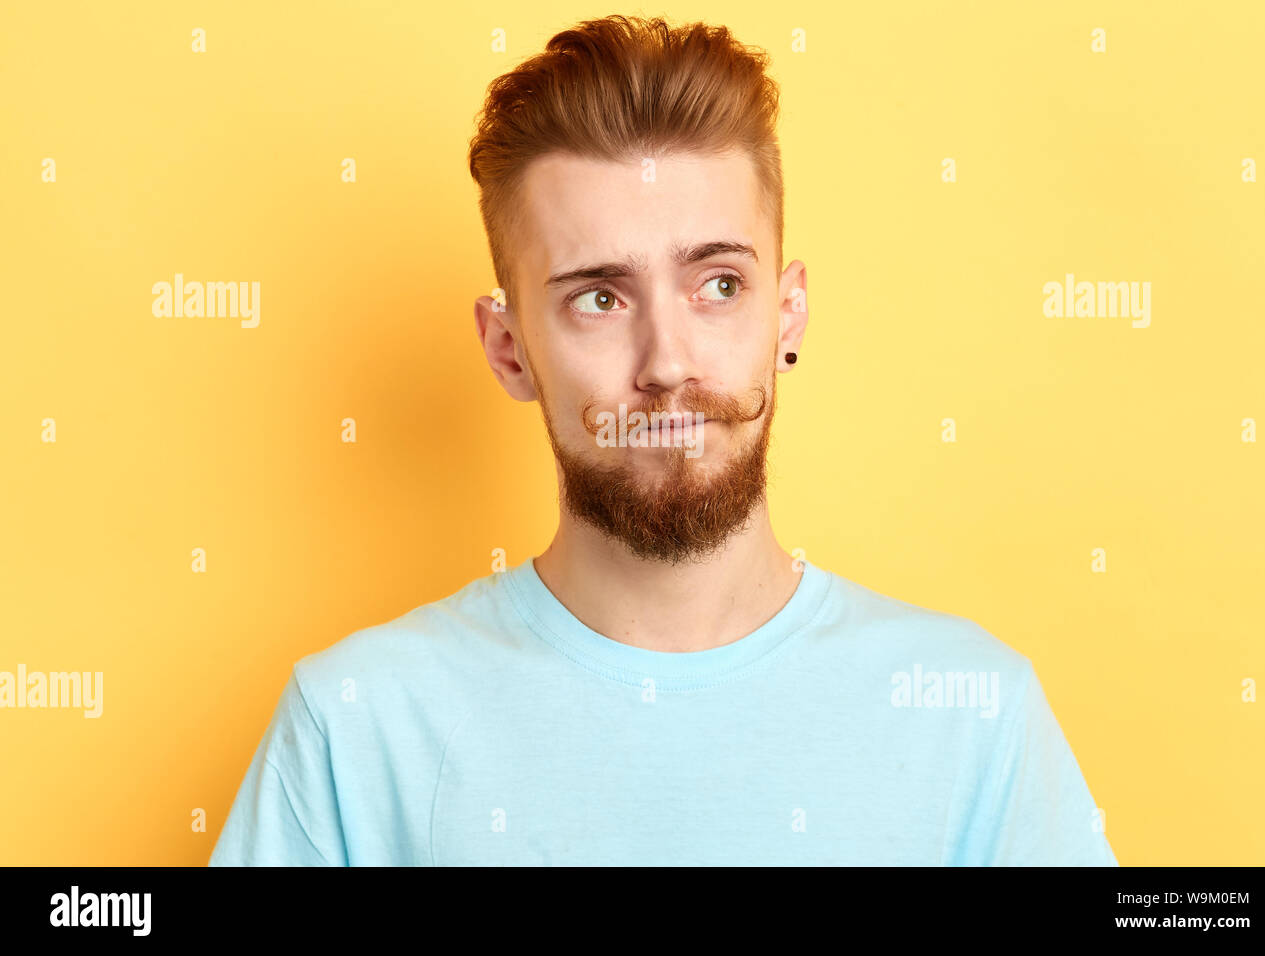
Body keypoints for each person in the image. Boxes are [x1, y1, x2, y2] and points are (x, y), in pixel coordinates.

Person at [209, 14, 1117, 866]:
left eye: (718, 285)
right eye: (598, 298)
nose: (668, 362)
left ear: (786, 313)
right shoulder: (353, 730)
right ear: (508, 349)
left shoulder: (973, 716)